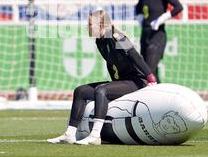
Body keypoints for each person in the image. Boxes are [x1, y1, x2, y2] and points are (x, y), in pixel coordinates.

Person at [47, 10, 156, 145]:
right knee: (80, 91)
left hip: (137, 81)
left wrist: (150, 77)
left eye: (90, 24)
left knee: (101, 90)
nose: (87, 27)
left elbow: (135, 56)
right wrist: (114, 85)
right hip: (123, 81)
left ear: (101, 25)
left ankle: (95, 135)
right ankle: (69, 134)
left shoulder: (116, 36)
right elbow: (110, 64)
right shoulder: (100, 41)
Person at [135, 0, 183, 84]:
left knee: (149, 72)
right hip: (145, 36)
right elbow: (137, 9)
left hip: (157, 37)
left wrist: (162, 18)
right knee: (150, 72)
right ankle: (160, 97)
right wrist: (140, 17)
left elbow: (178, 7)